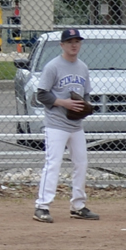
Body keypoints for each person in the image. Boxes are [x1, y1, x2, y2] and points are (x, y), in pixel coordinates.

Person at [33, 28, 98, 224]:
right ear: (62, 45)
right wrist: (64, 103)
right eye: (70, 41)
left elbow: (85, 94)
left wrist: (84, 107)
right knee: (53, 163)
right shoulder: (53, 66)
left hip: (76, 125)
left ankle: (78, 206)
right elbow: (42, 94)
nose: (74, 44)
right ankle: (42, 206)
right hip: (56, 124)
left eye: (77, 41)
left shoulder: (83, 68)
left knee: (81, 163)